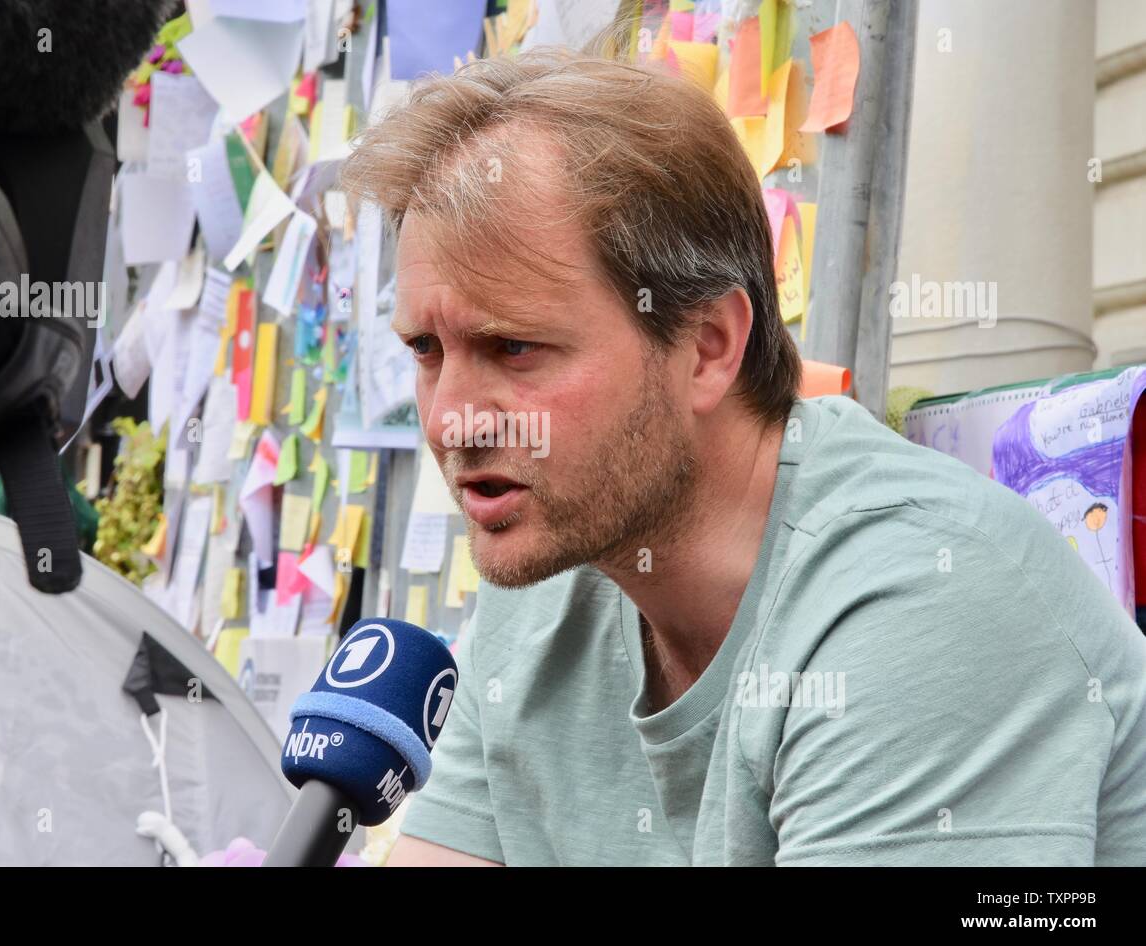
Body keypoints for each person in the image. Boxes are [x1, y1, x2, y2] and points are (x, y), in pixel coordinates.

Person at [339, 44, 1146, 866]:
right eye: (427, 350)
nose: (451, 423)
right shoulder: (551, 572)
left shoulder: (922, 601)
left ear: (709, 346)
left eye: (513, 347)